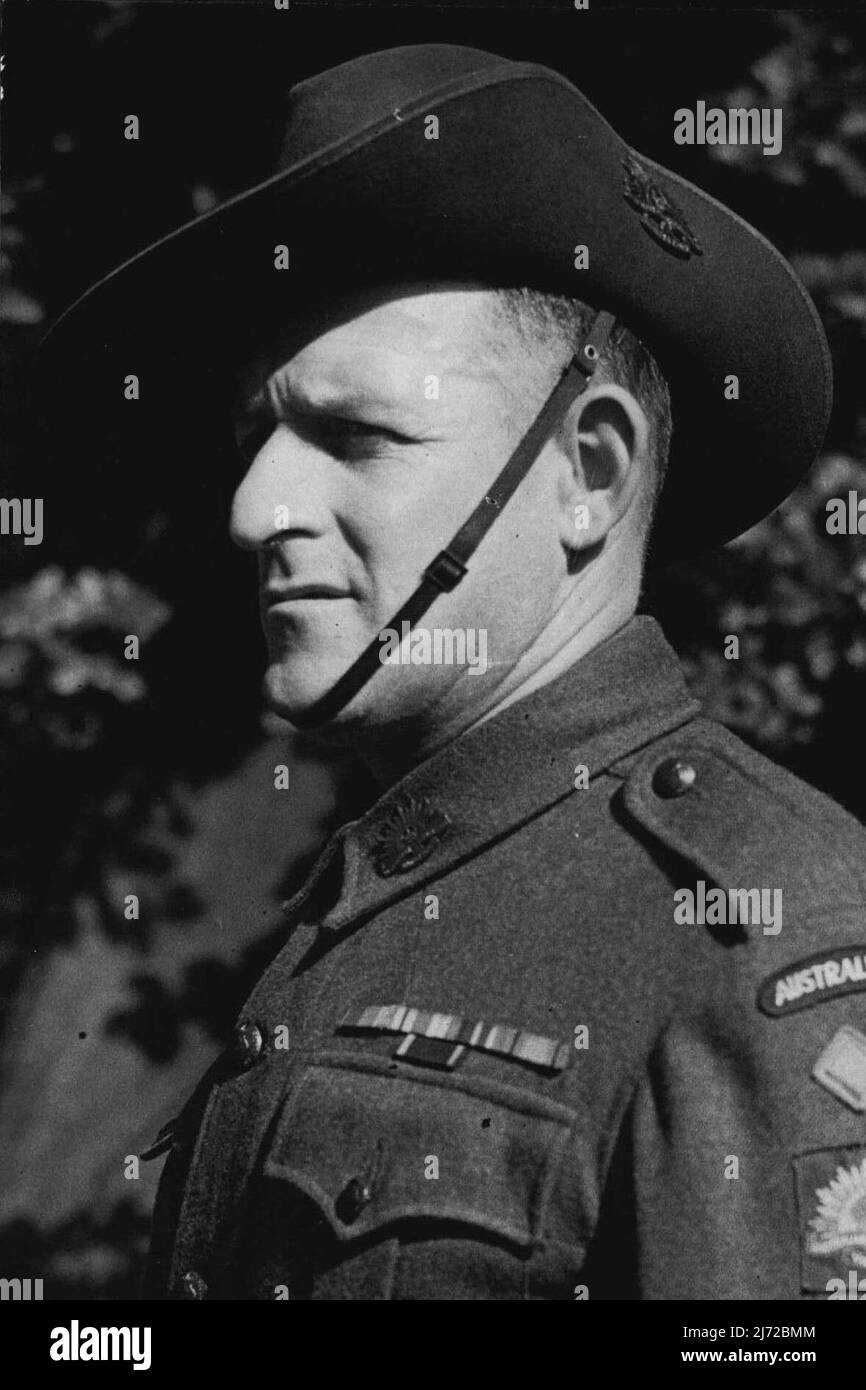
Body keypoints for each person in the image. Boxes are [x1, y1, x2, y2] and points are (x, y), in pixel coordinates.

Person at [40, 44, 866, 1301]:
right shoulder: (389, 877)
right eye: (261, 433)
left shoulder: (761, 932)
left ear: (585, 473)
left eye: (355, 435)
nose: (256, 507)